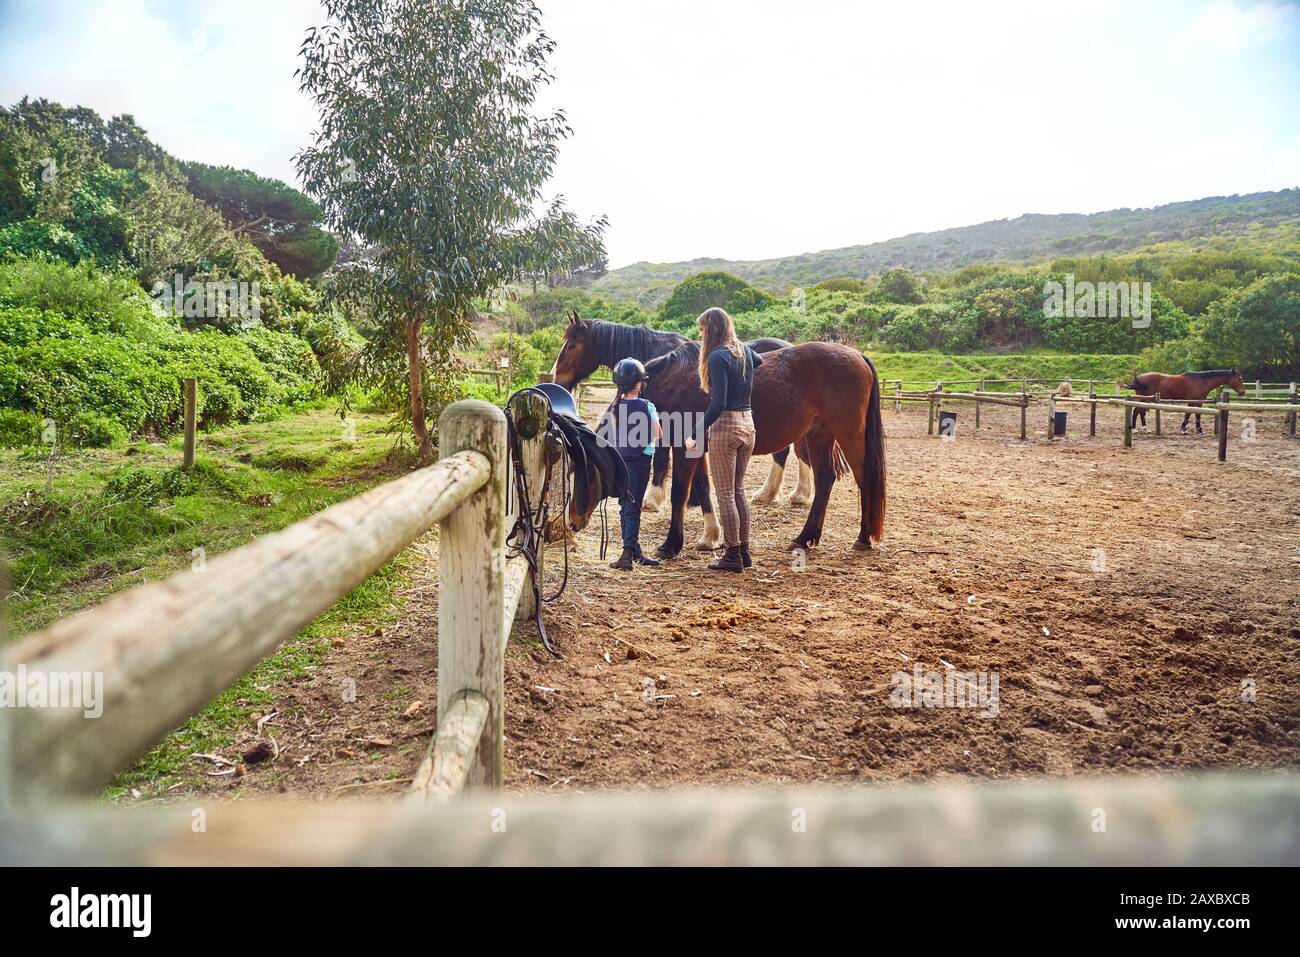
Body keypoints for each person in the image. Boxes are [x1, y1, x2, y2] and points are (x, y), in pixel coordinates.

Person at [685, 307, 763, 572]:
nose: (701, 333)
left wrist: (695, 431)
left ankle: (732, 555)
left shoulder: (718, 357)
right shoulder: (744, 352)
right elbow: (760, 360)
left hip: (726, 426)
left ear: (713, 328)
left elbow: (717, 403)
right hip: (748, 424)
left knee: (725, 494)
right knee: (738, 490)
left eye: (702, 328)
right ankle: (744, 550)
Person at [600, 357, 663, 571]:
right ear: (638, 384)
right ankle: (627, 554)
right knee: (633, 506)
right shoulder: (647, 405)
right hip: (641, 461)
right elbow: (658, 433)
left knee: (624, 504)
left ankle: (633, 551)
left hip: (620, 459)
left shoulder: (615, 406)